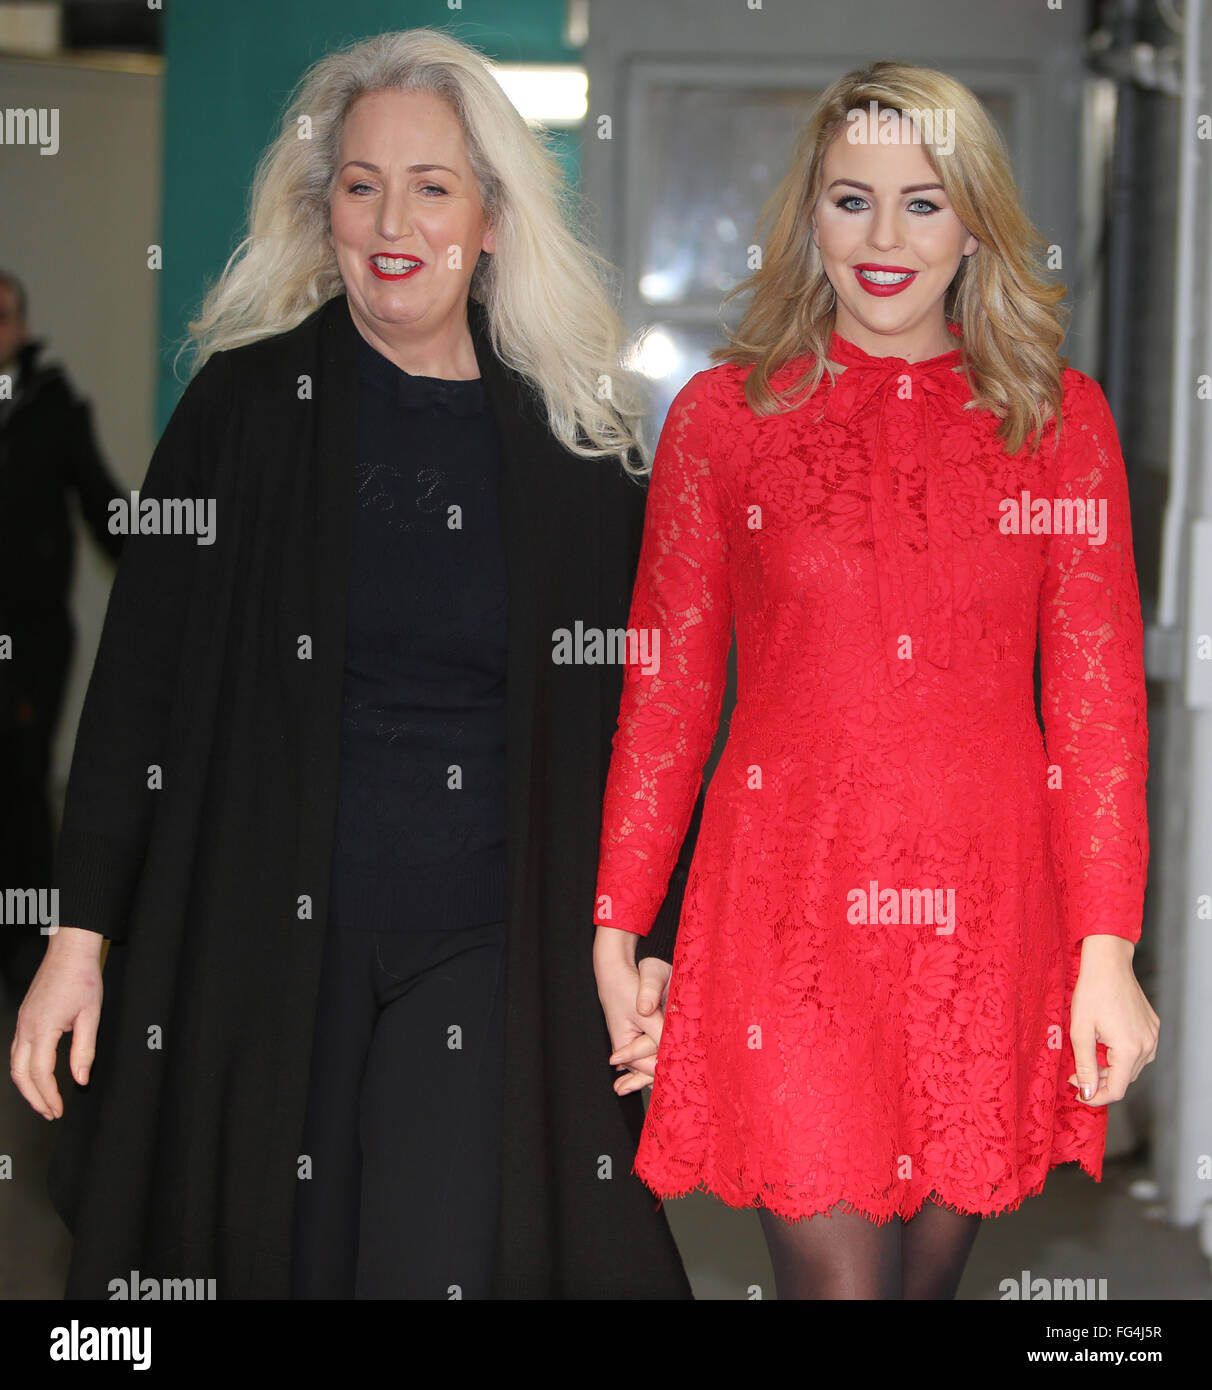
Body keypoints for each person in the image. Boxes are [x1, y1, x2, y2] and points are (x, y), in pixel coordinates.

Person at [10, 28, 695, 1300]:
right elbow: (136, 688)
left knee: (437, 1259)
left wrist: (655, 939)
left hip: (486, 945)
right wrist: (76, 938)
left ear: (491, 218)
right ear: (322, 207)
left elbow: (649, 718)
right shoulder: (241, 412)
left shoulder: (576, 450)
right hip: (269, 939)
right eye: (362, 182)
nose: (394, 218)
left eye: (434, 185)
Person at [592, 61, 1159, 1301]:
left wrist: (1106, 945)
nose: (886, 238)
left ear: (975, 224)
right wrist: (620, 918)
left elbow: (1100, 702)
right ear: (811, 216)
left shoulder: (1059, 424)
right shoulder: (724, 421)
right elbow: (669, 688)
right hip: (788, 916)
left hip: (988, 919)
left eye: (923, 201)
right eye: (853, 200)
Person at [0, 271, 125, 1001]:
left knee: (20, 779)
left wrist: (168, 569)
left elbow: (105, 505)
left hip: (32, 637)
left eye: (4, 316)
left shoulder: (55, 409)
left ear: (22, 328)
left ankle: (27, 944)